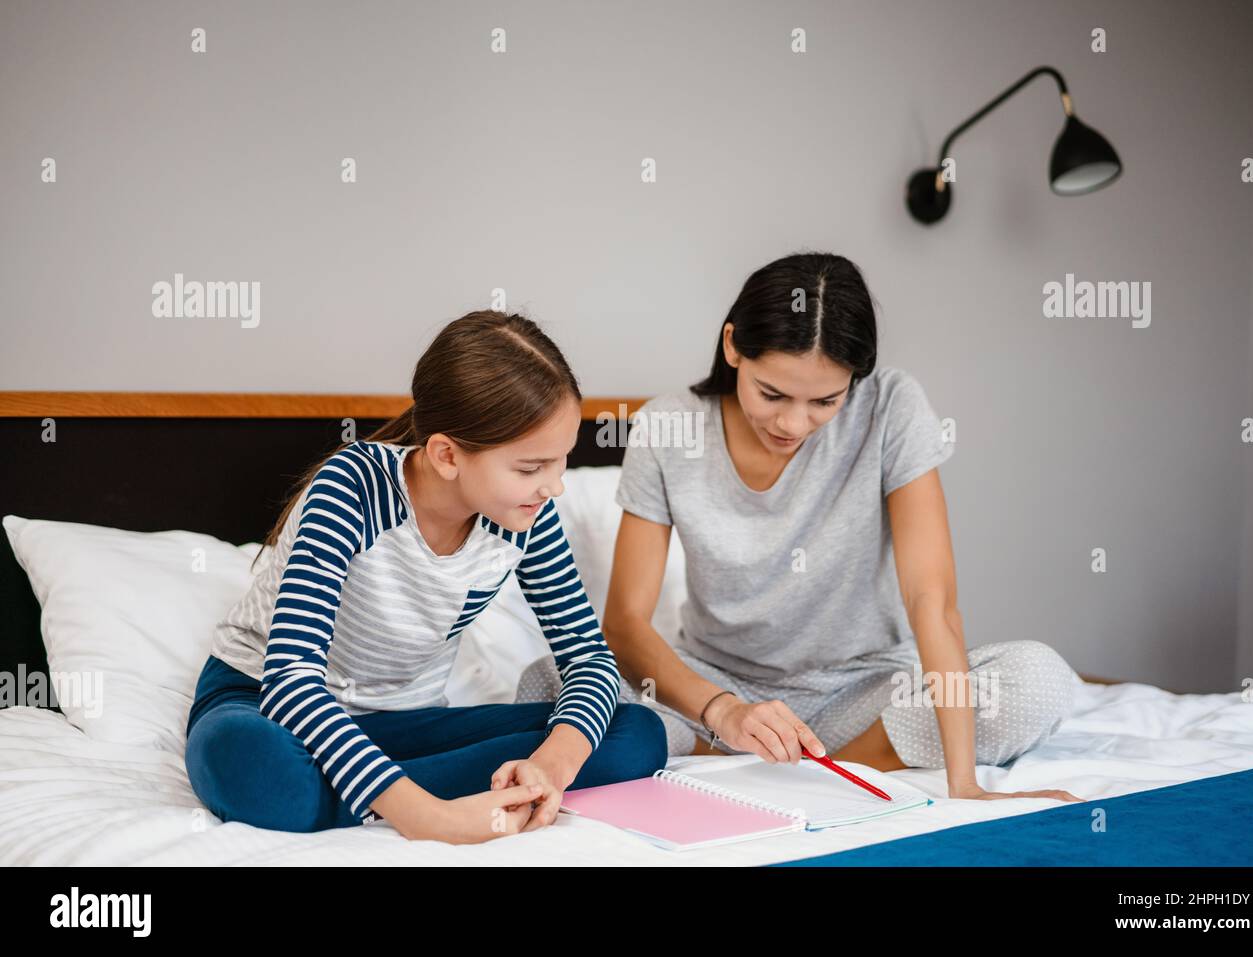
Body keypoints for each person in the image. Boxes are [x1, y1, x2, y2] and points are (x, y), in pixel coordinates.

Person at [517, 253, 1082, 803]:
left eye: (825, 401)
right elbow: (625, 622)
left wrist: (966, 783)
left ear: (854, 380)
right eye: (772, 394)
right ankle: (744, 751)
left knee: (1039, 679)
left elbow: (931, 600)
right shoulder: (668, 427)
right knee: (549, 683)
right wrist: (724, 710)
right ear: (733, 345)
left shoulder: (892, 407)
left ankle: (788, 765)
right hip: (714, 686)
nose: (792, 423)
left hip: (864, 690)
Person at [184, 310, 669, 842]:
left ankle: (366, 793)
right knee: (252, 765)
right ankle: (410, 798)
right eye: (531, 468)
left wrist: (550, 767)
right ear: (446, 455)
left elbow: (588, 657)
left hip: (400, 728)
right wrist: (433, 820)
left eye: (561, 462)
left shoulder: (528, 514)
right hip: (268, 704)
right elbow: (291, 684)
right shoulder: (351, 489)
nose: (553, 487)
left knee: (638, 732)